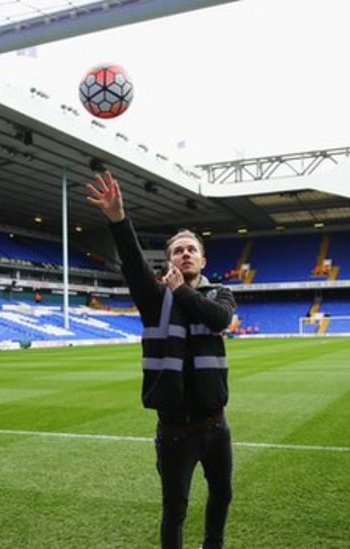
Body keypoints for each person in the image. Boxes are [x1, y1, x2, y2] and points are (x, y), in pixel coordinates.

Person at [86, 171, 237, 549]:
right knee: (175, 509)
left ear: (203, 260)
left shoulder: (221, 295)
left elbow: (219, 320)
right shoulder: (154, 299)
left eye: (191, 250)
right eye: (177, 251)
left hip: (216, 426)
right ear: (168, 260)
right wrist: (118, 220)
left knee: (223, 495)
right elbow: (134, 264)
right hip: (173, 432)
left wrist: (181, 292)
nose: (185, 254)